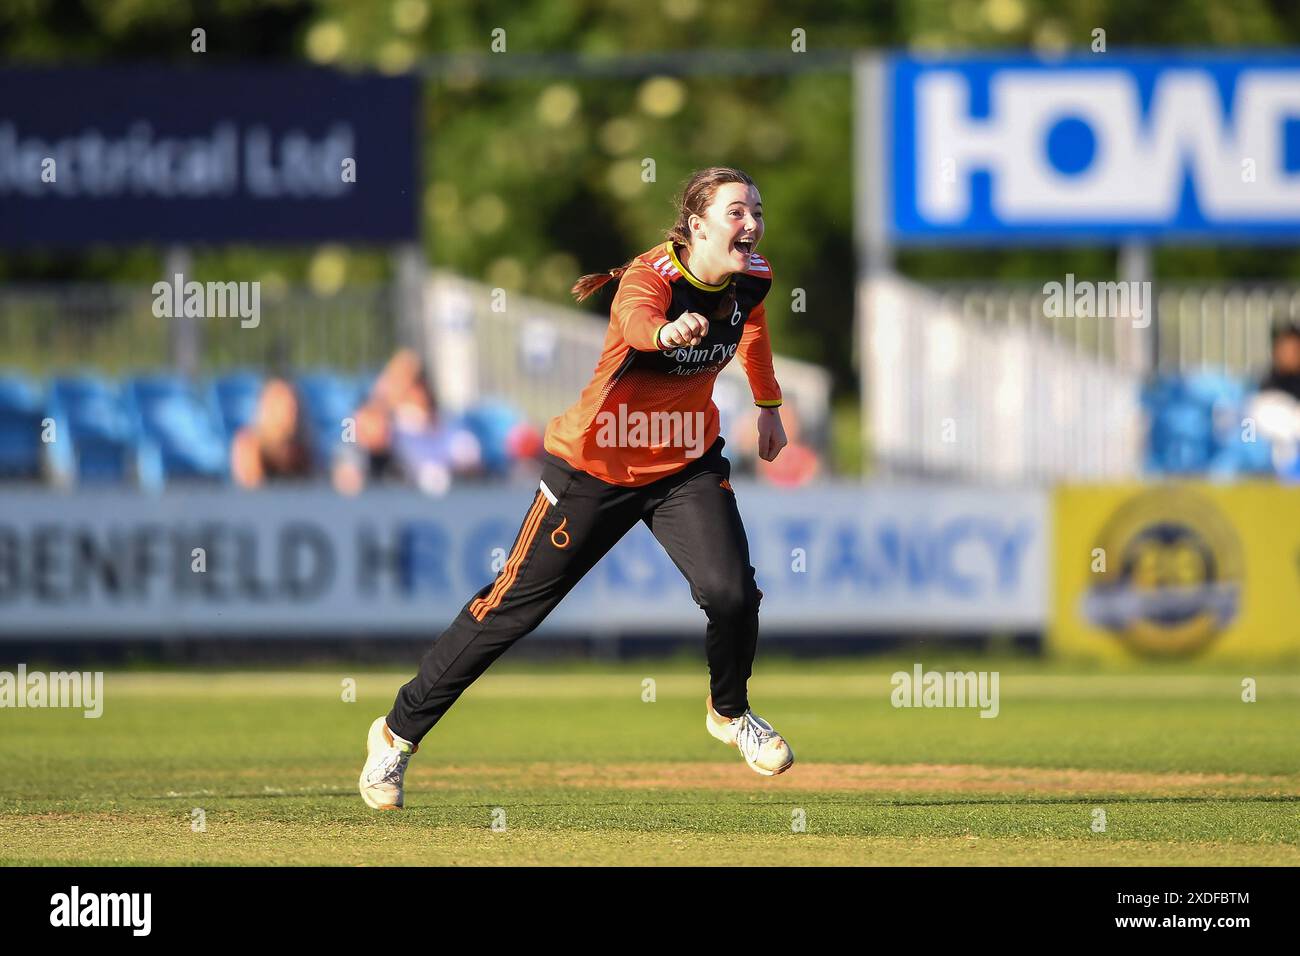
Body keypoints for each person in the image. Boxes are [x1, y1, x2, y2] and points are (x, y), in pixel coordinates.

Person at [359, 167, 794, 810]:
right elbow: (639, 320)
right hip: (594, 467)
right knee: (511, 611)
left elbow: (752, 326)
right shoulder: (650, 280)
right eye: (737, 212)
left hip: (683, 465)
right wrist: (665, 333)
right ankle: (395, 735)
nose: (751, 223)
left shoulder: (753, 274)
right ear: (697, 225)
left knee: (732, 594)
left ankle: (729, 713)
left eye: (757, 210)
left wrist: (767, 403)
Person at [230, 378, 314, 487]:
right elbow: (252, 488)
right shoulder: (247, 444)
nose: (293, 412)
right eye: (286, 406)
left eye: (294, 405)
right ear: (269, 408)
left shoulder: (301, 449)